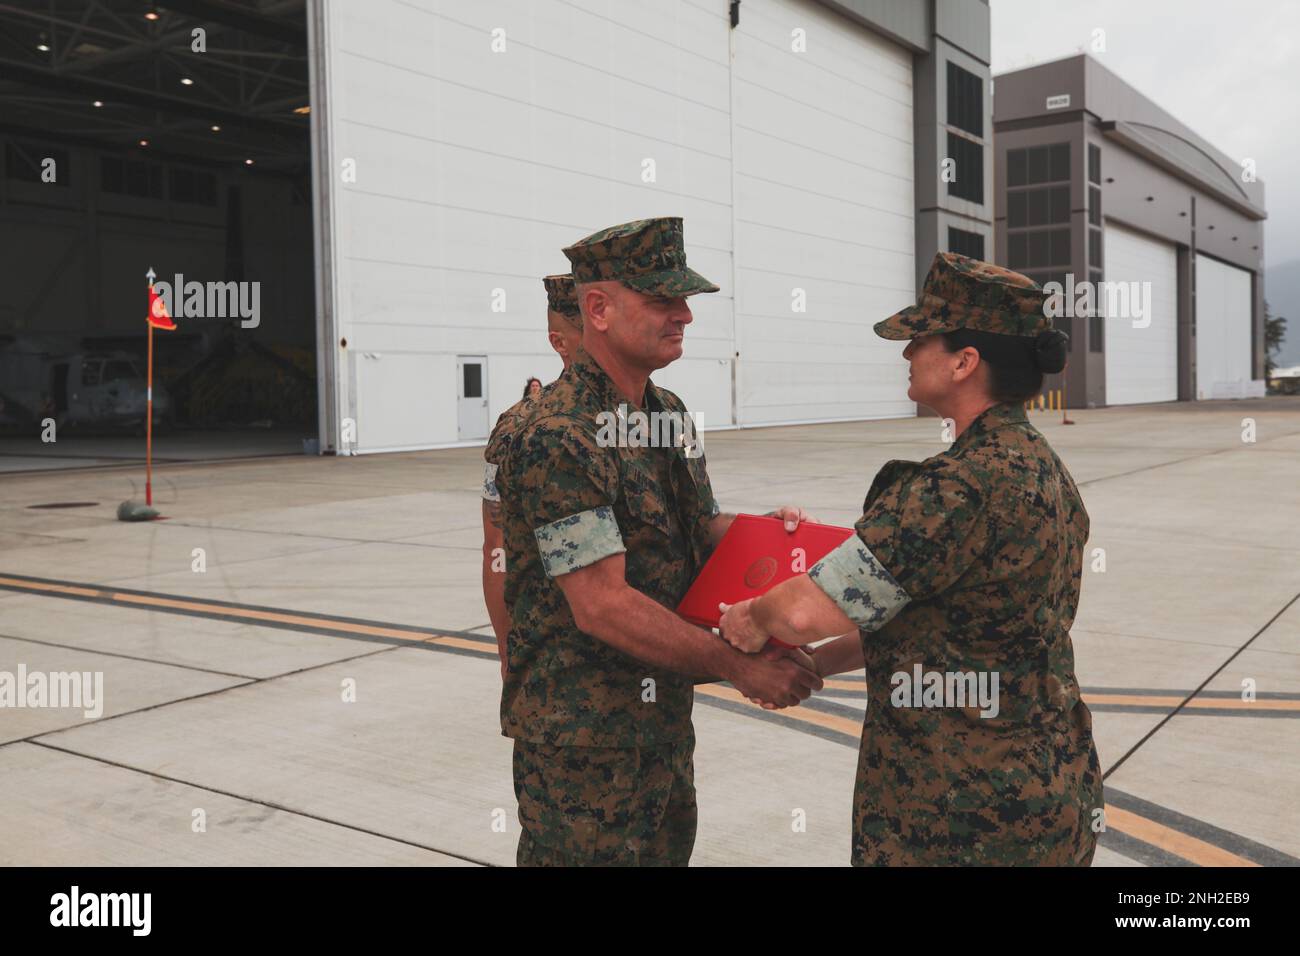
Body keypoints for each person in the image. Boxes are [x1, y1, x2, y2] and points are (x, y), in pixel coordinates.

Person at [720, 252, 1104, 866]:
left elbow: (804, 611)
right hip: (1045, 782)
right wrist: (816, 665)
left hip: (958, 812)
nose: (907, 353)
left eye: (921, 339)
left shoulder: (960, 485)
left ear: (963, 361)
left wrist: (749, 619)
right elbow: (926, 619)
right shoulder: (1041, 466)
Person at [497, 216, 823, 866]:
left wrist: (786, 542)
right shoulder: (556, 435)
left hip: (662, 723)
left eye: (685, 300)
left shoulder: (667, 415)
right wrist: (738, 664)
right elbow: (601, 602)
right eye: (662, 300)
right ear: (599, 309)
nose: (684, 316)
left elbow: (701, 532)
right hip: (583, 744)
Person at [481, 276, 583, 678]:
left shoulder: (660, 418)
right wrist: (509, 653)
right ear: (559, 343)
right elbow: (497, 548)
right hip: (555, 674)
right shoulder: (516, 428)